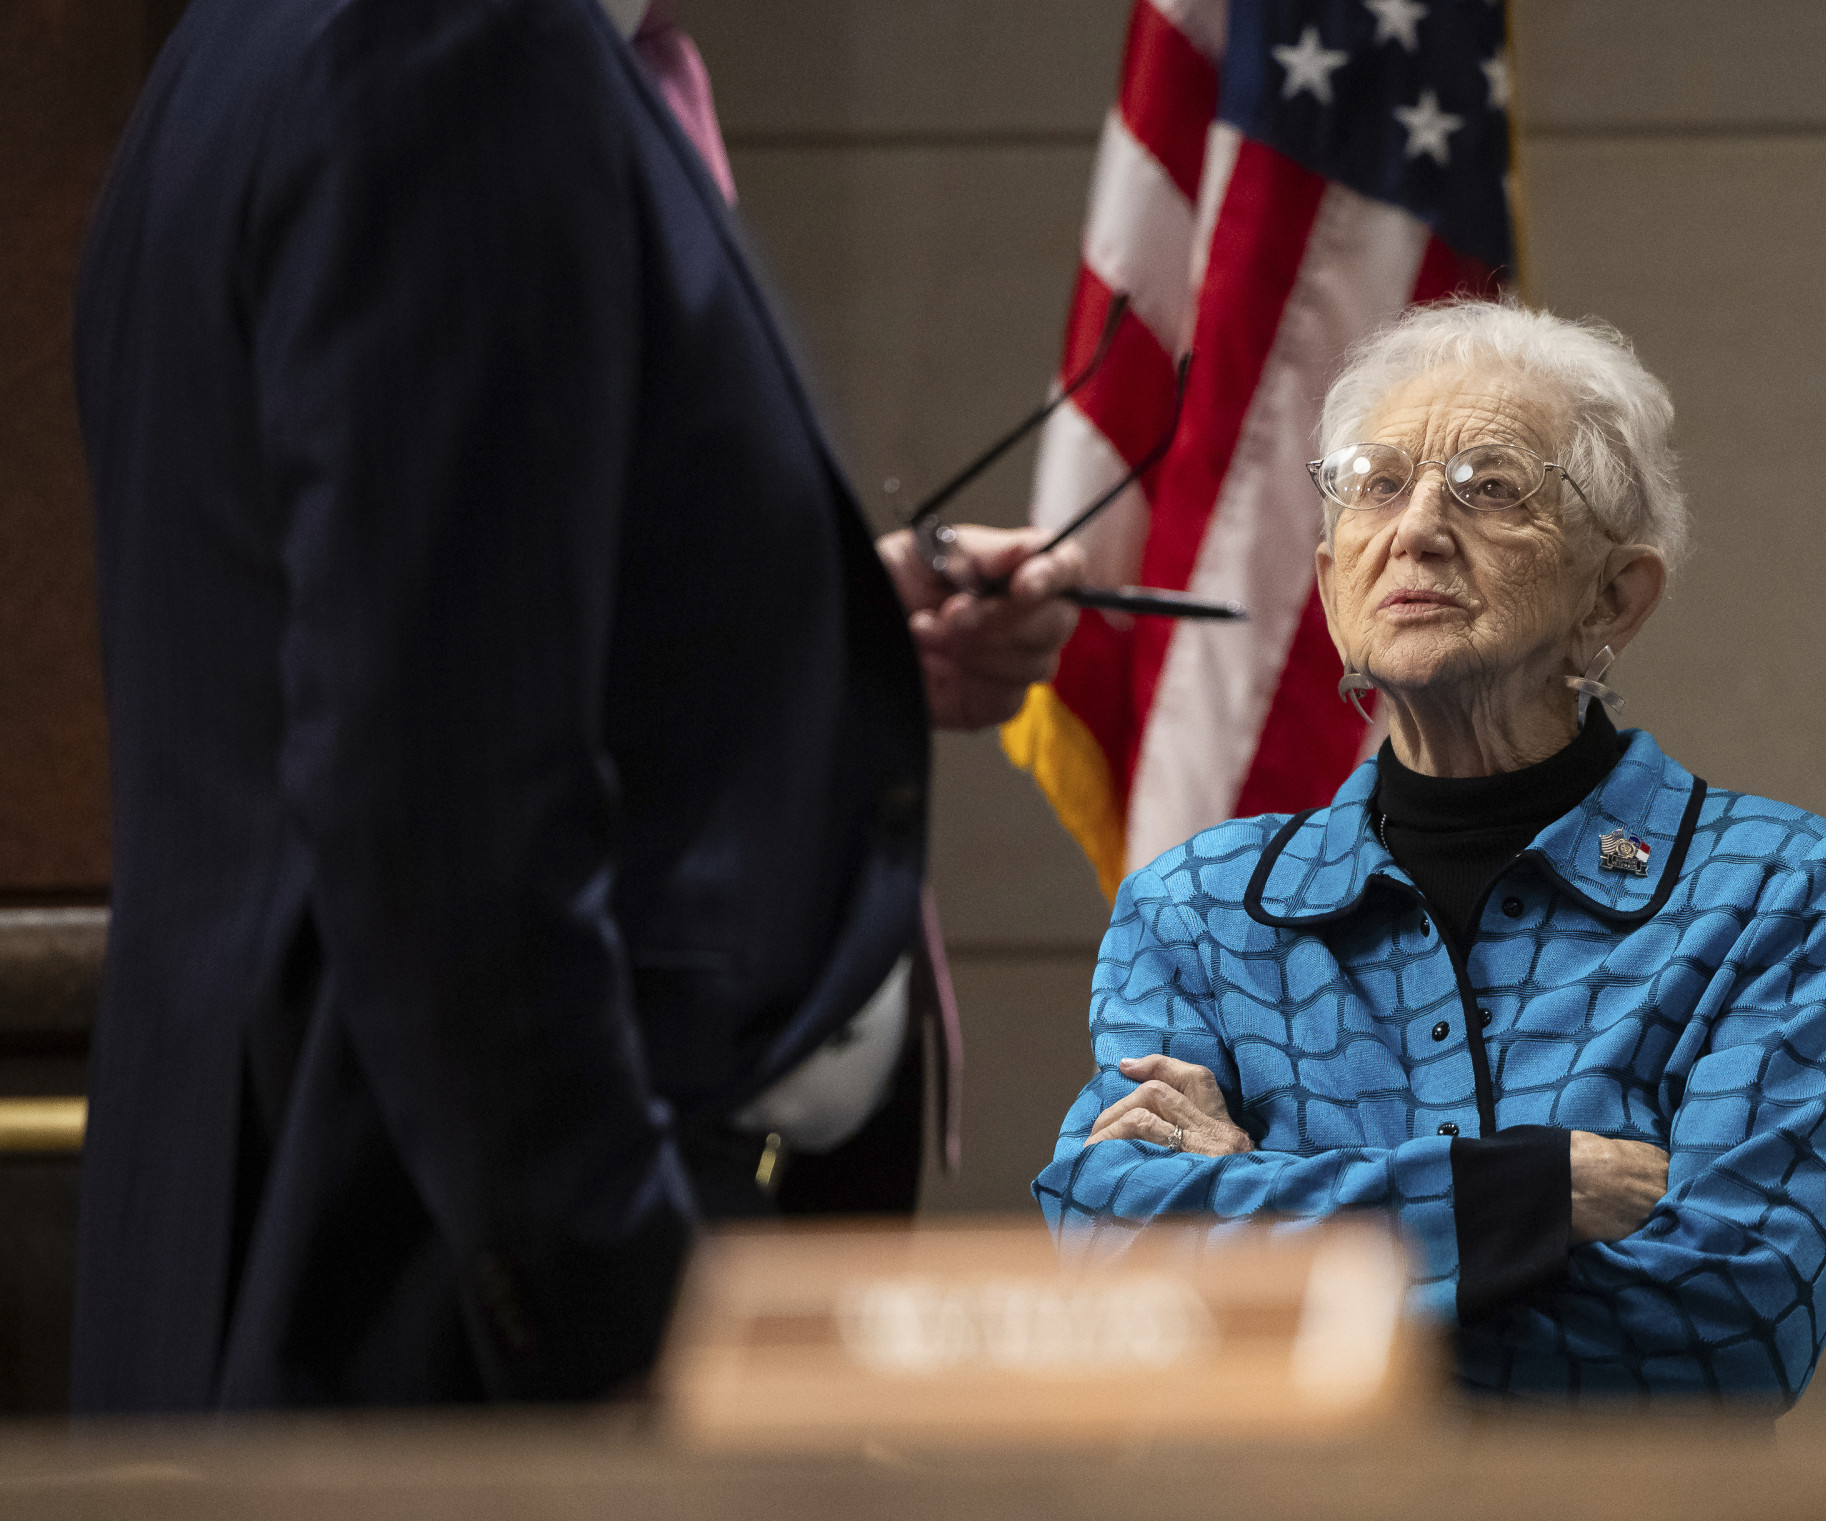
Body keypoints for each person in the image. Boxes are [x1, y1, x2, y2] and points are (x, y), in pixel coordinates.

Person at [72, 0, 1083, 1410]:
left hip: (328, 1258)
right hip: (460, 1333)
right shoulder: (456, 42)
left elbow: (393, 620)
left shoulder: (253, 38)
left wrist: (794, 632)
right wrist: (631, 1328)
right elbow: (433, 809)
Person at [1034, 301, 1826, 1403]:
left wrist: (1262, 1224)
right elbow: (1113, 1268)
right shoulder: (1197, 908)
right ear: (1333, 573)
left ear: (1614, 596)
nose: (1418, 528)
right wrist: (1533, 1192)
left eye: (1493, 487)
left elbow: (1735, 1319)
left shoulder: (1774, 887)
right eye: (1377, 483)